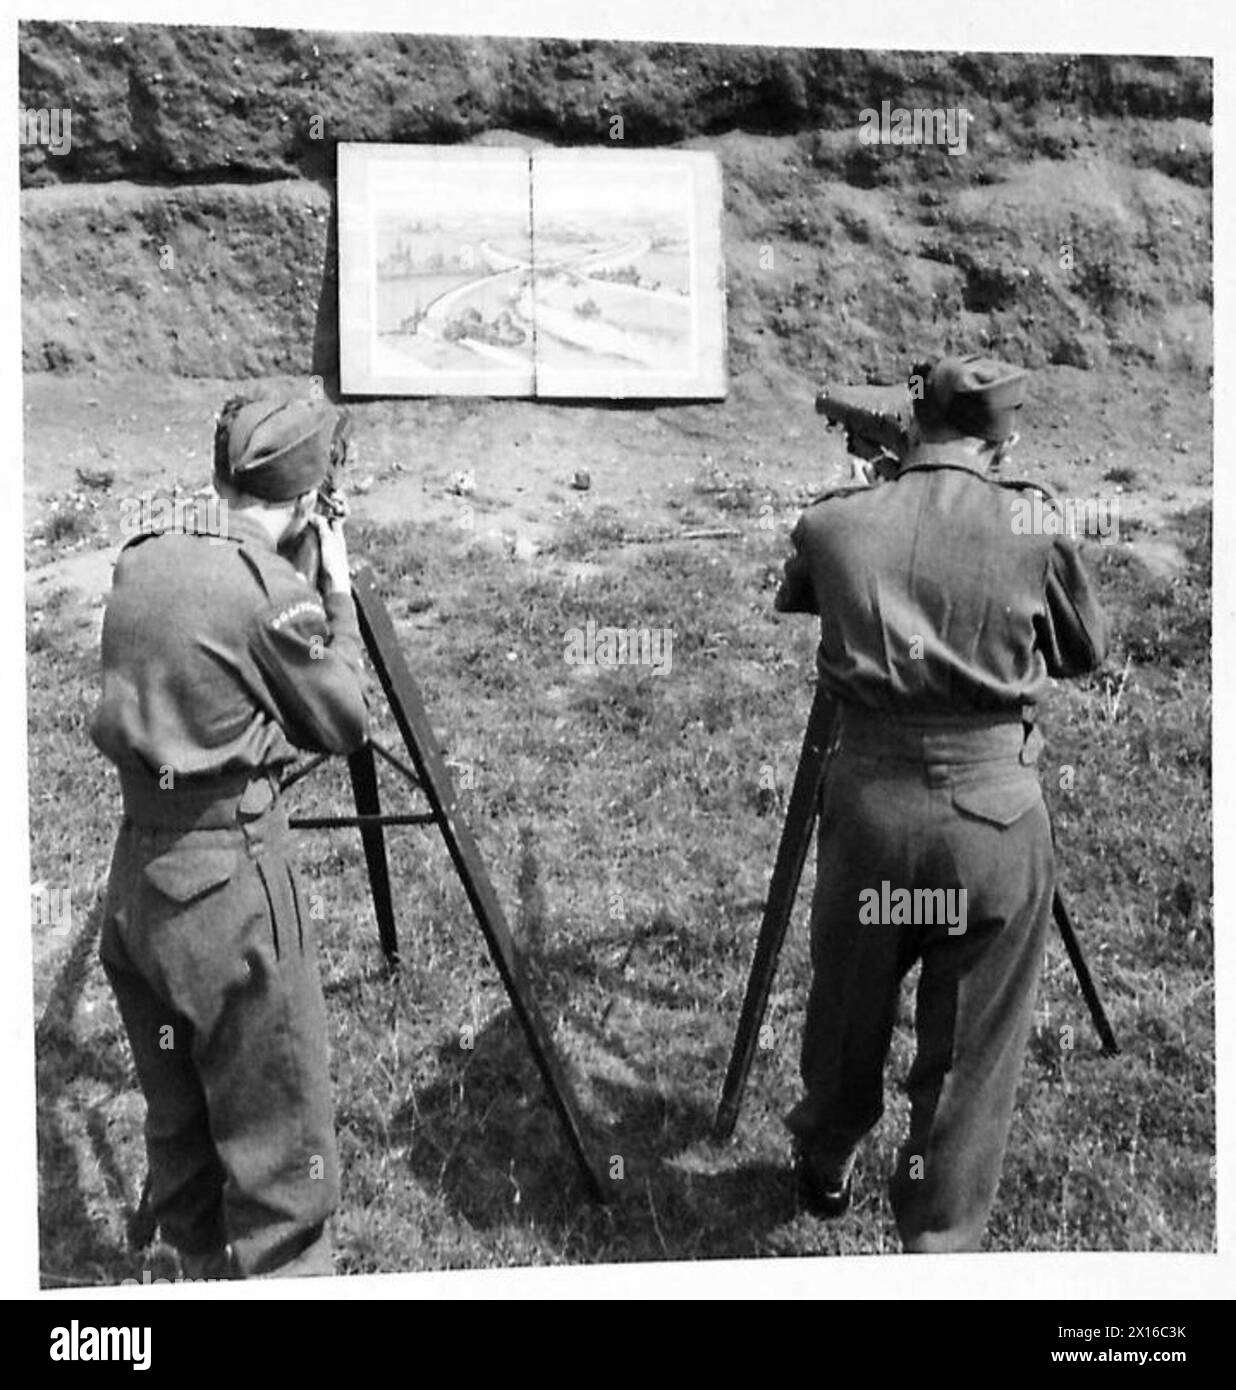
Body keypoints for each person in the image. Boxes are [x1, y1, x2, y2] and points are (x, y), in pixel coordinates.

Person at [775, 355, 1110, 1252]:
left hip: (873, 814)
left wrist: (883, 498)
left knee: (849, 1003)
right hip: (996, 823)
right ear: (1005, 438)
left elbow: (799, 595)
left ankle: (829, 1147)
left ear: (906, 421)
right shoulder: (1034, 518)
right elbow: (1084, 652)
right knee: (968, 1060)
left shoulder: (835, 521)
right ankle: (938, 1237)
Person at [91, 388, 369, 1279]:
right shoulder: (267, 592)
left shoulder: (143, 561)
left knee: (181, 1135)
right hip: (229, 897)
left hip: (137, 882)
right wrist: (335, 584)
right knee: (284, 1160)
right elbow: (345, 720)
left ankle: (185, 1266)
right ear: (305, 501)